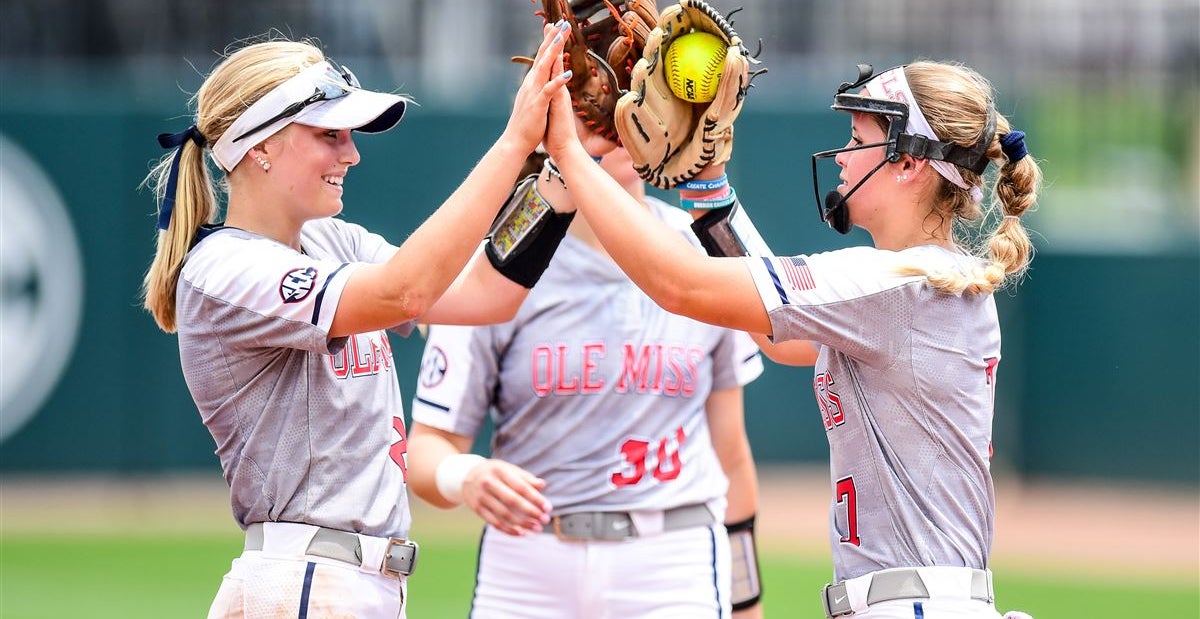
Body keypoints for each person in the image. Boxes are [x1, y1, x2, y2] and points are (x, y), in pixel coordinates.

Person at [543, 59, 1042, 619]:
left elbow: (679, 285)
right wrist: (709, 189)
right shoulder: (925, 279)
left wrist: (571, 157)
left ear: (906, 164)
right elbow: (784, 341)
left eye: (858, 140)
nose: (844, 158)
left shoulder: (896, 285)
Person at [140, 24, 573, 619]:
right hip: (302, 583)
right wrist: (510, 146)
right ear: (258, 145)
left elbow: (483, 295)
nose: (352, 153)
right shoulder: (222, 271)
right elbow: (407, 293)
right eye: (329, 135)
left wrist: (562, 173)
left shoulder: (325, 238)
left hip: (348, 583)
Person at [406, 144, 768, 618]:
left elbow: (731, 455)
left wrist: (746, 601)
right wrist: (464, 476)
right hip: (529, 563)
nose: (621, 125)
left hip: (673, 565)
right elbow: (427, 448)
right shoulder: (498, 269)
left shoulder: (702, 255)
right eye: (593, 111)